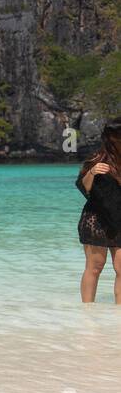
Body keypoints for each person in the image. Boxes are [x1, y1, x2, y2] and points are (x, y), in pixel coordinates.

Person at [75, 119, 121, 302]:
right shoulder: (97, 159)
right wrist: (92, 173)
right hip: (97, 219)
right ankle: (87, 313)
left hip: (120, 219)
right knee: (95, 267)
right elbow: (83, 188)